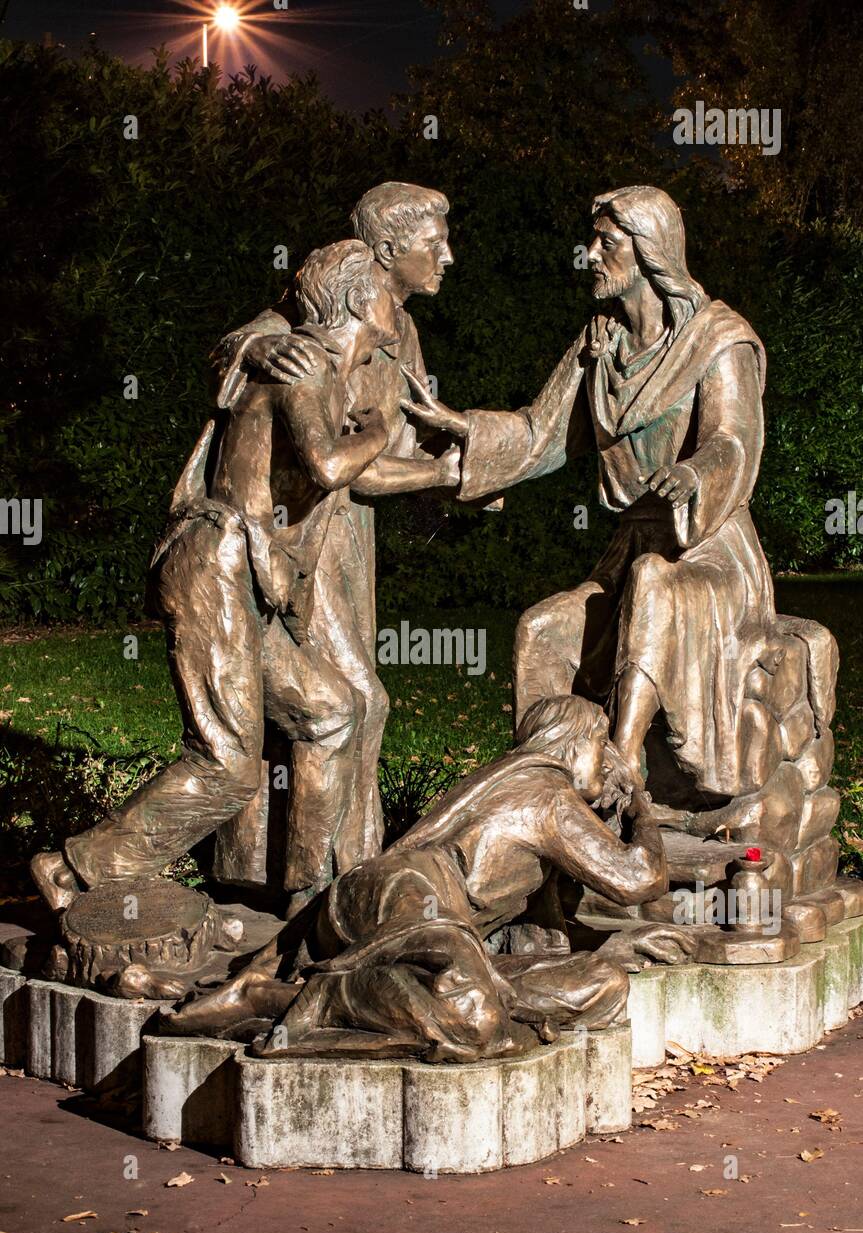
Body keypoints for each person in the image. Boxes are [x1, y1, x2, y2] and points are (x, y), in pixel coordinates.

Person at [32, 240, 450, 915]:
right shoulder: (304, 360)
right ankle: (74, 869)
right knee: (226, 765)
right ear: (351, 296)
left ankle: (310, 899)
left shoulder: (327, 367)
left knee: (331, 711)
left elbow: (346, 469)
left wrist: (442, 472)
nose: (394, 305)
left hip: (247, 582)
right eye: (382, 288)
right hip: (215, 568)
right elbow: (329, 466)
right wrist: (378, 425)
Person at [403, 186, 772, 803]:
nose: (591, 255)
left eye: (607, 242)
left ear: (650, 252)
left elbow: (733, 441)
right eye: (594, 240)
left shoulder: (719, 339)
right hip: (631, 553)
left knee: (655, 578)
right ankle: (546, 787)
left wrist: (692, 476)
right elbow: (538, 434)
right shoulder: (600, 341)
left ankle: (622, 765)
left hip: (709, 552)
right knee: (542, 627)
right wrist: (464, 426)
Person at [165, 694, 690, 1062]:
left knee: (604, 986)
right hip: (408, 893)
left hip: (400, 908)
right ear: (574, 745)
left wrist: (609, 951)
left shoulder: (520, 786)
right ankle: (288, 1000)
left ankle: (352, 994)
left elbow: (542, 938)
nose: (611, 762)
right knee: (478, 1023)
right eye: (604, 746)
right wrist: (641, 805)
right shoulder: (546, 793)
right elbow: (639, 877)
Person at [208, 183, 459, 886]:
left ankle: (335, 867)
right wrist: (262, 348)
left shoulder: (400, 332)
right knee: (333, 703)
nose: (446, 254)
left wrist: (447, 471)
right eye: (431, 242)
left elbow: (392, 441)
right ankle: (304, 879)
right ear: (386, 251)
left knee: (340, 702)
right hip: (295, 525)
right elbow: (240, 343)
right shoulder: (332, 299)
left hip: (346, 529)